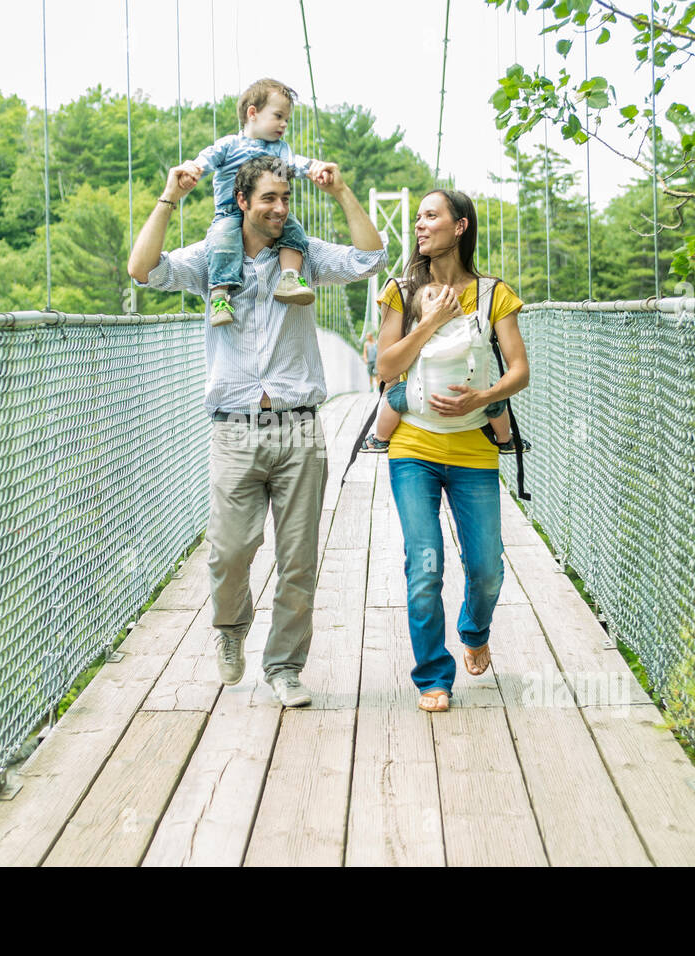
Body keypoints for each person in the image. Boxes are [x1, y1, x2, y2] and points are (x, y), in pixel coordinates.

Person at [128, 154, 387, 707]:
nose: (279, 209)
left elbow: (369, 257)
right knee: (229, 550)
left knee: (298, 560)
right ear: (241, 201)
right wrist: (168, 197)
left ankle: (285, 667)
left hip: (298, 428)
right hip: (233, 429)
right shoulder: (212, 258)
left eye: (286, 199)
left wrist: (341, 192)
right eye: (268, 198)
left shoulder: (305, 257)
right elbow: (143, 271)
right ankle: (230, 630)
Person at [374, 188, 530, 713]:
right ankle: (433, 677)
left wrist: (486, 396)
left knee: (486, 568)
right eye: (416, 216)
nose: (420, 225)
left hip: (473, 451)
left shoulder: (493, 294)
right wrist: (431, 322)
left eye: (431, 216)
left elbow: (519, 370)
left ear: (460, 226)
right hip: (413, 446)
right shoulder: (400, 290)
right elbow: (385, 368)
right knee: (425, 565)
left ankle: (475, 627)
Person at [172, 78, 335, 327]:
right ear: (253, 113)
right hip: (230, 213)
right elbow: (207, 159)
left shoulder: (280, 151)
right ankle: (219, 298)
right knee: (221, 242)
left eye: (287, 120)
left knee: (294, 231)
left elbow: (291, 168)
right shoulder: (229, 145)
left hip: (268, 216)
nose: (284, 124)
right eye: (278, 116)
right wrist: (194, 169)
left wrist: (313, 169)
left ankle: (289, 277)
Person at [359, 281, 521, 453]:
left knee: (394, 397)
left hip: (425, 397)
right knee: (494, 399)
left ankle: (380, 438)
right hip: (467, 394)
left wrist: (423, 324)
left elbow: (387, 372)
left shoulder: (419, 330)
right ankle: (505, 440)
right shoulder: (471, 323)